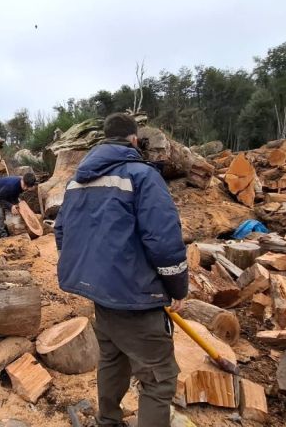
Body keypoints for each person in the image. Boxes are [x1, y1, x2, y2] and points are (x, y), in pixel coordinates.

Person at [54, 113, 188, 427]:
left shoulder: (76, 181)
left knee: (113, 359)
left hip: (100, 294)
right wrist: (178, 288)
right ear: (133, 139)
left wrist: (88, 271)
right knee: (159, 378)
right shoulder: (142, 176)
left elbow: (61, 231)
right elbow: (163, 241)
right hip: (135, 297)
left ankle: (108, 420)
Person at [0, 173, 37, 238]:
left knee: (16, 209)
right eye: (24, 185)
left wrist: (15, 205)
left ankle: (12, 228)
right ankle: (2, 235)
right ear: (22, 180)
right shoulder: (11, 185)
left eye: (27, 187)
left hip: (6, 192)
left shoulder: (23, 184)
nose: (25, 188)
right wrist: (11, 206)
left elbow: (15, 194)